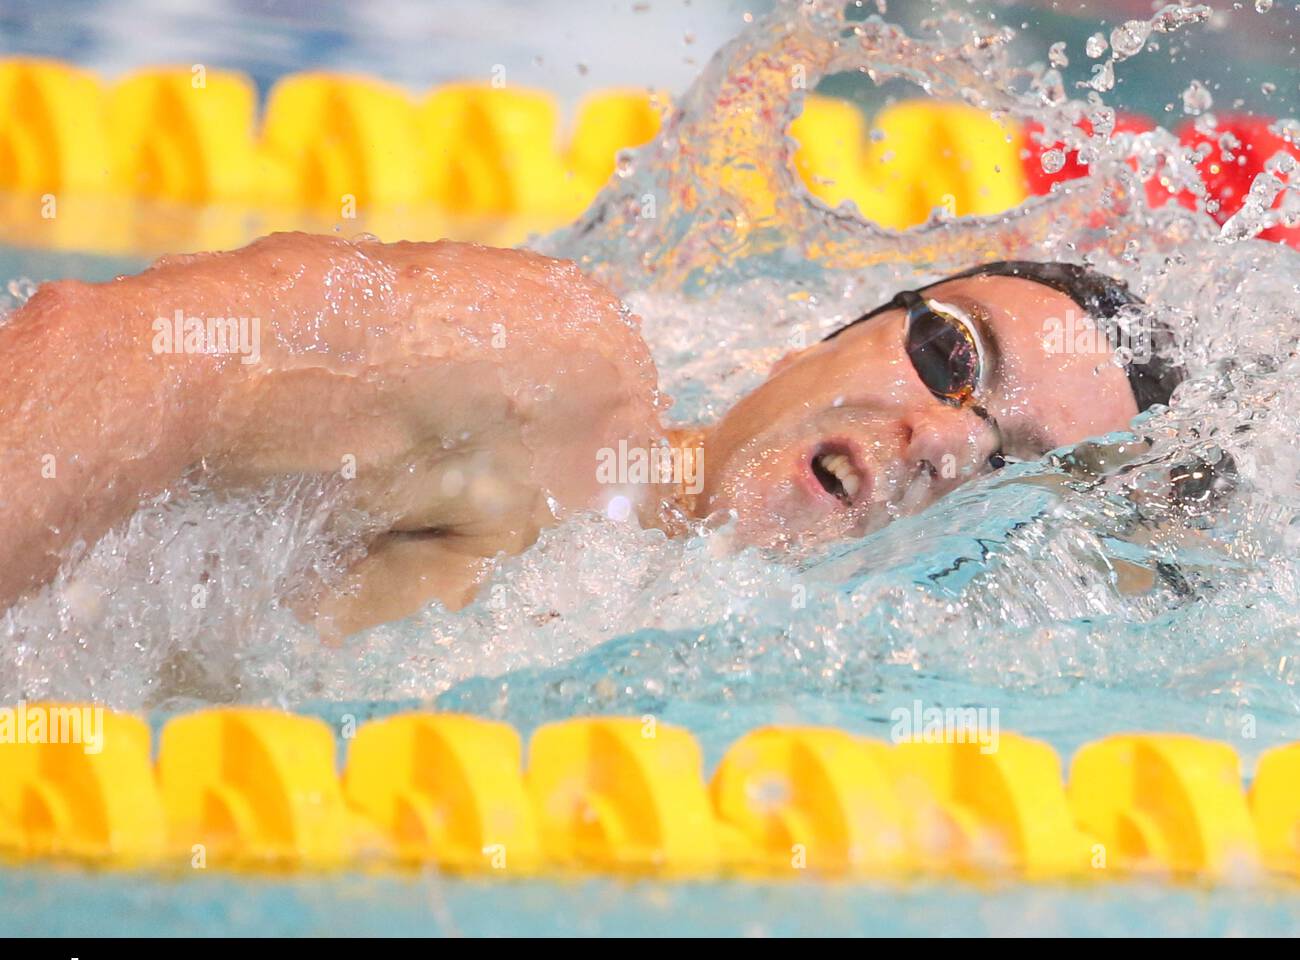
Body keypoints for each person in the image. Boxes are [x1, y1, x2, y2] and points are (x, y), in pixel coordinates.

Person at [0, 233, 1179, 636]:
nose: (939, 440)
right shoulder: (551, 383)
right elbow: (133, 349)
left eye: (1003, 469)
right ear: (820, 336)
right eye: (952, 356)